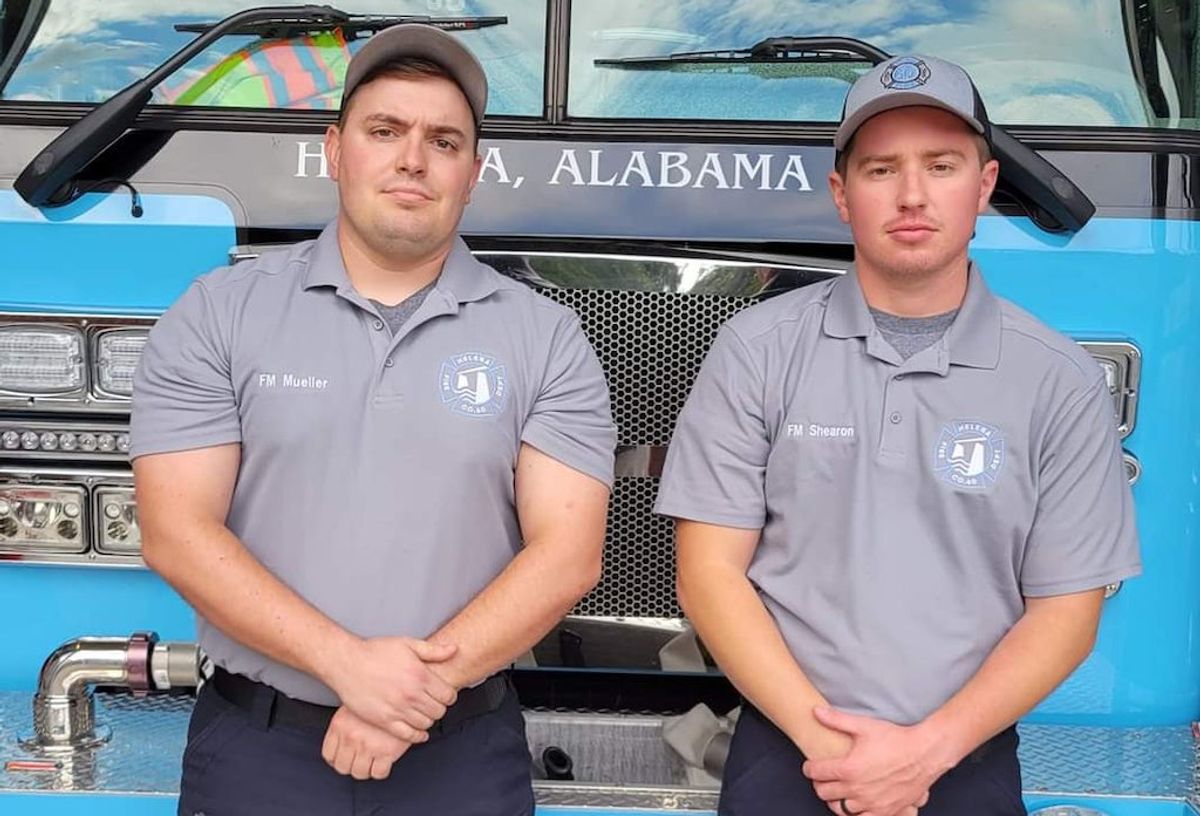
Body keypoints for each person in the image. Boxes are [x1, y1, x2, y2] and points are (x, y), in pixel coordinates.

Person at [131, 23, 615, 816]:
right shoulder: (218, 313)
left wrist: (409, 695)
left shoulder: (546, 336)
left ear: (473, 171)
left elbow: (567, 556)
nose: (412, 159)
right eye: (384, 130)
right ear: (335, 148)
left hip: (460, 754)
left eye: (444, 141)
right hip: (259, 751)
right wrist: (348, 666)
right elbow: (176, 532)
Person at [655, 54, 1140, 816]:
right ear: (842, 197)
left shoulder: (1060, 379)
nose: (912, 195)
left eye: (941, 165)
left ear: (982, 188)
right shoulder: (755, 349)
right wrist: (836, 751)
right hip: (789, 753)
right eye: (882, 170)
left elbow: (1068, 610)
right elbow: (708, 574)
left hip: (963, 761)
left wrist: (926, 753)